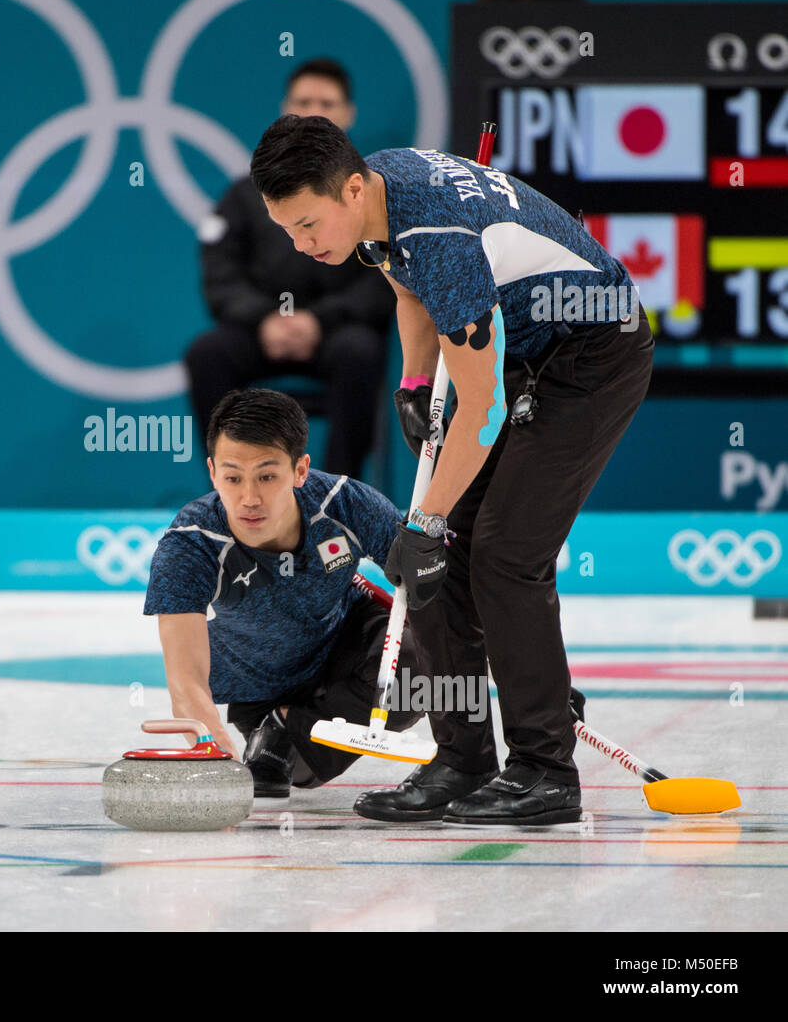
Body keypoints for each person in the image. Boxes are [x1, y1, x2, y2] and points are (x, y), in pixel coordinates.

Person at [248, 115, 652, 824]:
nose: (302, 246)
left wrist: (425, 520)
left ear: (347, 190)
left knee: (499, 554)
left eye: (308, 225)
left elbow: (484, 408)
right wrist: (412, 382)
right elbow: (405, 286)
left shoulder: (439, 240)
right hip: (525, 348)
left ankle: (544, 769)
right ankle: (462, 759)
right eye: (288, 232)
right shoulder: (375, 190)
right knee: (438, 561)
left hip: (594, 354)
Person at [143, 388, 420, 798]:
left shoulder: (345, 505)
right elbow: (186, 687)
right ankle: (277, 726)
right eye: (233, 477)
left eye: (267, 476)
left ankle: (291, 724)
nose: (249, 498)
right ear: (213, 472)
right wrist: (221, 764)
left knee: (421, 675)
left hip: (347, 642)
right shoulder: (190, 546)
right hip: (260, 690)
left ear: (300, 470)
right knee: (287, 774)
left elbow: (433, 593)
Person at [185, 59, 395, 479]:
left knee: (361, 351)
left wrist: (318, 321)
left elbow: (385, 280)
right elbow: (220, 276)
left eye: (327, 102)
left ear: (348, 113)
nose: (315, 111)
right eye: (303, 101)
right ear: (284, 108)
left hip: (339, 335)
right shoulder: (245, 196)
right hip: (260, 332)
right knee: (207, 353)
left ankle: (338, 493)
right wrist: (266, 319)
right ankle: (235, 480)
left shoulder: (366, 192)